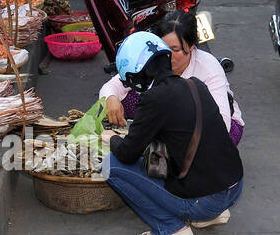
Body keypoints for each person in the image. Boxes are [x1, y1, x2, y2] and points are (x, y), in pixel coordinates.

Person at [101, 33, 244, 235]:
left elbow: (126, 154)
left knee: (109, 165)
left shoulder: (153, 99)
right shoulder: (195, 84)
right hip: (234, 187)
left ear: (136, 74)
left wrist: (112, 139)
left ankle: (169, 228)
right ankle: (209, 214)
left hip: (205, 201)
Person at [99, 12, 244, 144]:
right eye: (164, 47)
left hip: (206, 127)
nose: (168, 55)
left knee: (215, 142)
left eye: (175, 50)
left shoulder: (208, 67)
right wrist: (111, 98)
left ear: (192, 47)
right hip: (167, 121)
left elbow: (222, 123)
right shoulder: (154, 56)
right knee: (126, 98)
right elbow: (115, 84)